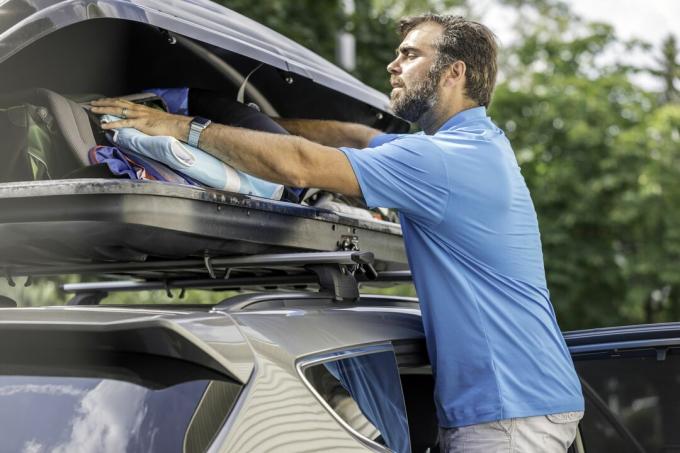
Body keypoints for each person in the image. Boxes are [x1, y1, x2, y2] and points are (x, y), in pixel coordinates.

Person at [92, 13, 585, 452]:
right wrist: (253, 124)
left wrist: (183, 127)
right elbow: (356, 136)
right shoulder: (472, 145)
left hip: (507, 413)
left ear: (454, 71)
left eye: (410, 54)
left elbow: (303, 167)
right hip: (518, 400)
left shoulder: (439, 160)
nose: (394, 65)